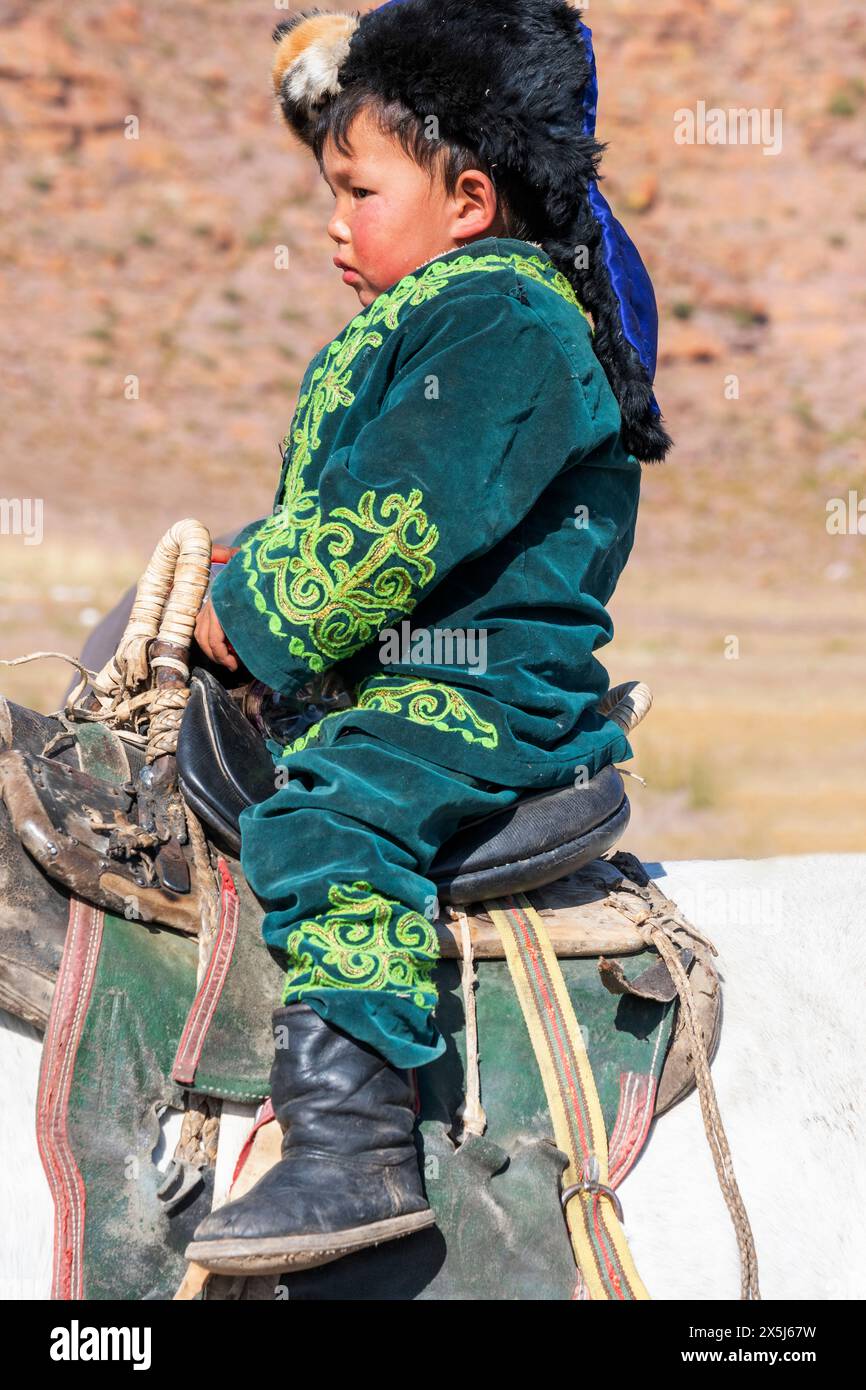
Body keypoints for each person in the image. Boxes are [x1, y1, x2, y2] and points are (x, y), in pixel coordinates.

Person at [186, 0, 671, 1276]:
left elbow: (394, 519)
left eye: (357, 191)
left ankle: (352, 1148)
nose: (331, 223)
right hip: (402, 672)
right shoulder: (438, 308)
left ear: (465, 196)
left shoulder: (503, 319)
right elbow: (342, 506)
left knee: (326, 819)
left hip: (476, 691)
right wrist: (249, 558)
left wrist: (250, 612)